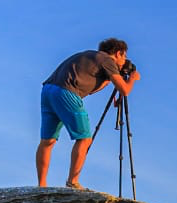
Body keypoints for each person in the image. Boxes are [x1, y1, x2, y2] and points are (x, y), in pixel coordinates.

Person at [36, 38, 141, 189]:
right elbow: (125, 90)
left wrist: (111, 80)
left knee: (48, 141)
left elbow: (91, 90)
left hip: (48, 90)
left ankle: (42, 185)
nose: (124, 61)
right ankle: (72, 182)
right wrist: (132, 78)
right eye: (124, 56)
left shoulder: (92, 56)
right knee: (85, 139)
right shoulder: (108, 60)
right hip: (67, 92)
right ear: (118, 53)